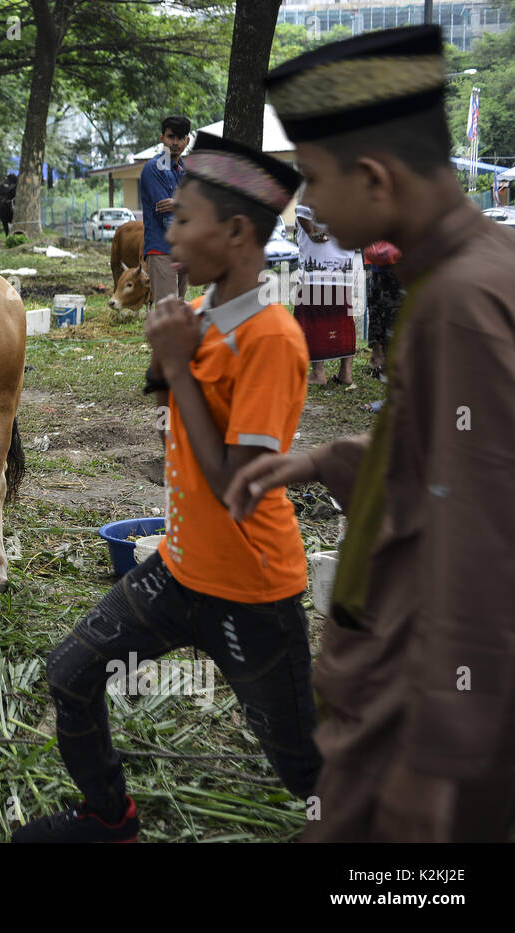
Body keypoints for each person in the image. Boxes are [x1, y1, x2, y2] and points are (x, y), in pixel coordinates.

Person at [228, 25, 515, 843]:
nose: (309, 204)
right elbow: (446, 462)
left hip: (416, 717)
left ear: (376, 178)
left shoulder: (456, 305)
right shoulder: (477, 268)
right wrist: (326, 459)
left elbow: (483, 540)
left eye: (315, 179)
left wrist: (434, 757)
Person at [15, 132, 318, 843]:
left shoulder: (272, 338)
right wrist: (167, 361)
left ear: (236, 232)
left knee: (303, 765)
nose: (168, 230)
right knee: (71, 673)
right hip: (180, 571)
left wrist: (178, 366)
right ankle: (110, 817)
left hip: (252, 591)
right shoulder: (202, 314)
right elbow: (171, 415)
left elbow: (239, 486)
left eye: (184, 218)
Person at [294, 203, 357, 386]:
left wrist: (315, 232)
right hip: (343, 265)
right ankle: (345, 372)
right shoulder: (354, 191)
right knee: (344, 319)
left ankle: (318, 373)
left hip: (317, 267)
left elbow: (304, 214)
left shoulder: (316, 188)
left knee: (314, 320)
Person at [140, 115, 192, 308]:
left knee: (178, 308)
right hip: (161, 249)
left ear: (187, 141)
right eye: (171, 137)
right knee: (168, 311)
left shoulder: (185, 170)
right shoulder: (153, 169)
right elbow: (167, 216)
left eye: (180, 138)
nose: (175, 143)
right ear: (162, 138)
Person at [363, 240, 403, 382]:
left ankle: (387, 360)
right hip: (381, 263)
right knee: (379, 308)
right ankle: (380, 356)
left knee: (390, 312)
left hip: (398, 264)